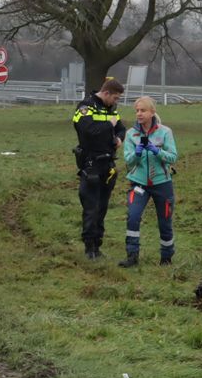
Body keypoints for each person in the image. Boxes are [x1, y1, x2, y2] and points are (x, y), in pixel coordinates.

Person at [119, 96, 177, 267]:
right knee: (133, 216)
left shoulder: (165, 132)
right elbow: (128, 161)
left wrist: (157, 151)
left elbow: (173, 156)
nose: (139, 114)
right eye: (137, 110)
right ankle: (132, 256)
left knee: (164, 221)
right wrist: (136, 154)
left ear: (152, 112)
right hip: (139, 184)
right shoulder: (131, 134)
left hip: (162, 184)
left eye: (142, 110)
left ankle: (166, 258)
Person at [73, 78, 126, 260]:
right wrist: (109, 125)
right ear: (106, 93)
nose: (116, 102)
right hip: (91, 163)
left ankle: (98, 245)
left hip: (108, 164)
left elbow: (121, 128)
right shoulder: (85, 108)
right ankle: (89, 248)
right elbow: (89, 131)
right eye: (116, 98)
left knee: (102, 207)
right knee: (91, 207)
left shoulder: (110, 109)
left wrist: (119, 138)